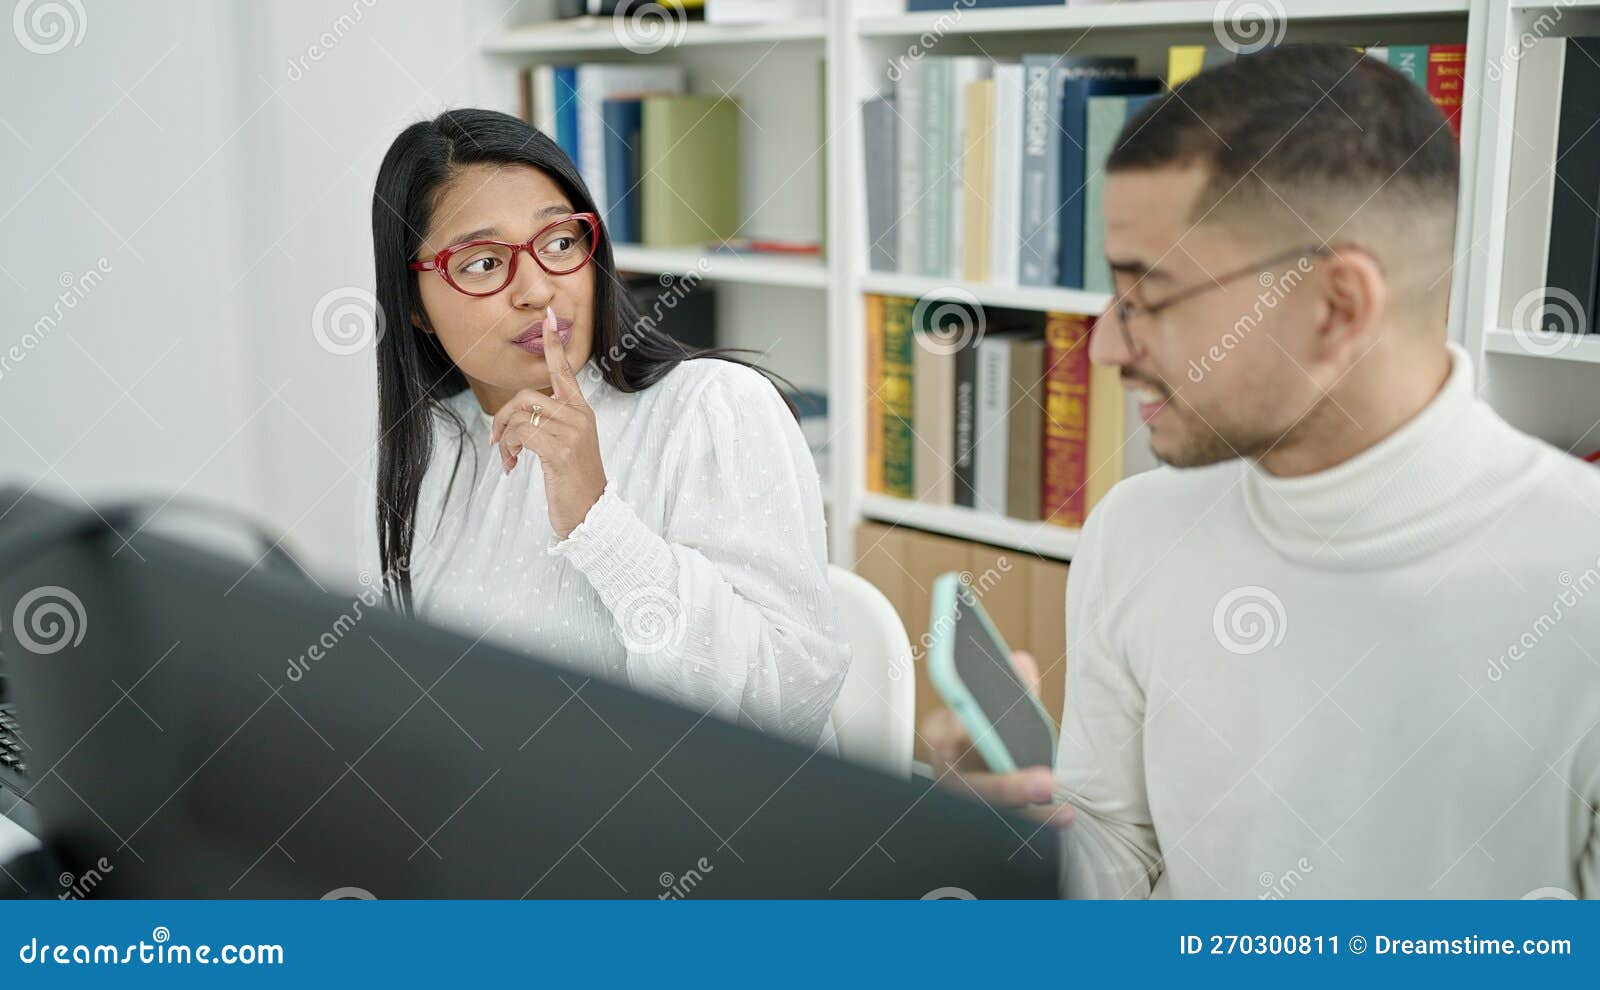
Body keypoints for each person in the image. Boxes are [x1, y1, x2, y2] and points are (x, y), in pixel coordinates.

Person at [925, 44, 1600, 898]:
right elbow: (1115, 862)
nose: (1103, 347)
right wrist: (1007, 840)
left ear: (1336, 308)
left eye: (1149, 298)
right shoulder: (1136, 529)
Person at [358, 109, 848, 745]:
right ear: (414, 305)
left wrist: (597, 519)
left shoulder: (715, 408)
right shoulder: (437, 448)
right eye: (482, 263)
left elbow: (790, 707)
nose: (538, 290)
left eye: (560, 243)